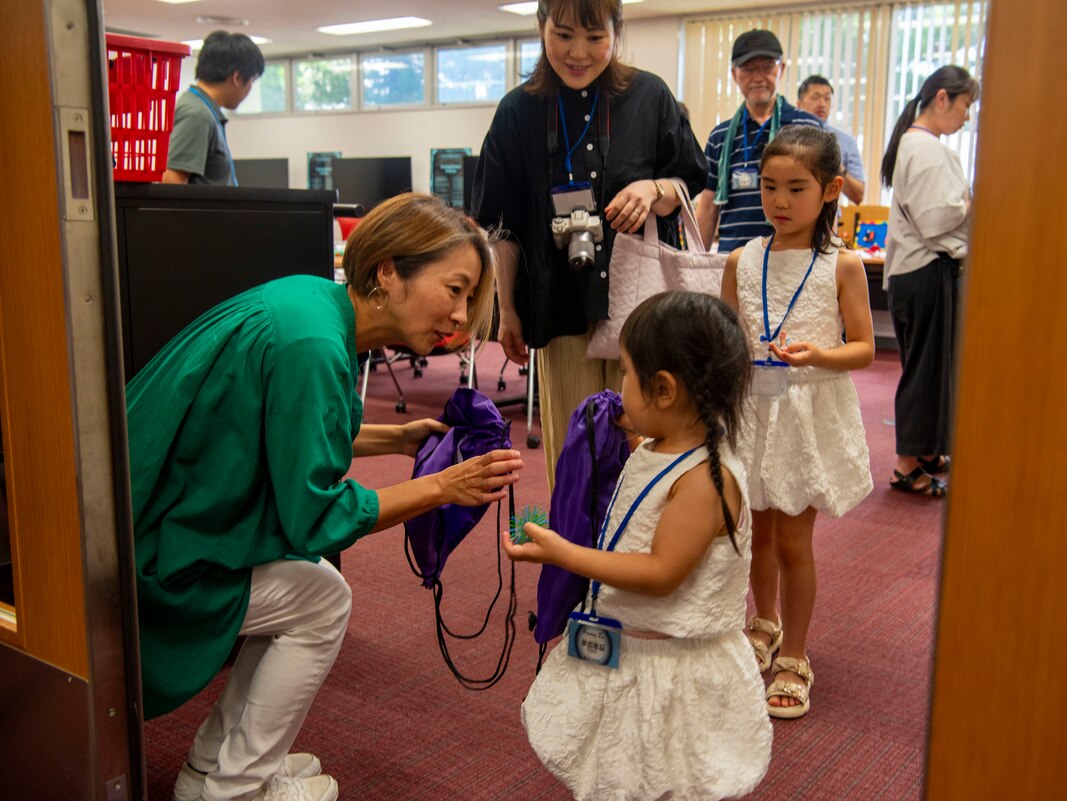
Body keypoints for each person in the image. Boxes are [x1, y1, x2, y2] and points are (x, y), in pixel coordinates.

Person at [127, 194, 525, 801]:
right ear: (389, 271)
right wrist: (442, 486)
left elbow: (290, 429)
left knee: (312, 588)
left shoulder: (314, 306)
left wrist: (399, 436)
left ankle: (213, 767)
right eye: (455, 289)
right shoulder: (313, 345)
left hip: (156, 519)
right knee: (322, 598)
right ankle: (236, 787)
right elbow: (316, 517)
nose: (462, 318)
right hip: (151, 557)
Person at [503, 291, 770, 801]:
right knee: (624, 773)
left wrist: (562, 552)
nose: (617, 386)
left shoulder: (703, 480)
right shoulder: (661, 444)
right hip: (634, 648)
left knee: (666, 778)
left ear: (664, 390)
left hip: (670, 667)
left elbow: (662, 571)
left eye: (624, 372)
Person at [472, 0, 707, 490]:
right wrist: (507, 312)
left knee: (648, 447)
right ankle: (577, 560)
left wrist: (654, 189)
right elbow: (502, 224)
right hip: (561, 307)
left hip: (641, 306)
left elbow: (690, 175)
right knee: (574, 453)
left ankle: (647, 559)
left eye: (595, 37)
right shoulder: (518, 111)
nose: (578, 53)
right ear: (540, 28)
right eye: (562, 35)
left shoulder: (649, 96)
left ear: (616, 32)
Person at [721, 124, 874, 718]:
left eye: (796, 189)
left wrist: (820, 355)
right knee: (753, 530)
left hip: (807, 410)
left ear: (831, 188)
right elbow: (728, 338)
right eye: (768, 188)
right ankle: (764, 622)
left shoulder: (844, 264)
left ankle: (797, 656)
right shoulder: (741, 259)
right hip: (753, 409)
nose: (780, 202)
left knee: (792, 539)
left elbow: (863, 347)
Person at [880, 65, 979, 497]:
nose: (967, 117)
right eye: (965, 106)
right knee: (924, 371)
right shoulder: (923, 147)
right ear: (942, 99)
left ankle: (925, 452)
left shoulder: (920, 145)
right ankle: (906, 465)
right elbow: (937, 217)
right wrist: (972, 201)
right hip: (926, 269)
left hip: (917, 270)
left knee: (929, 368)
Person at [695, 29, 822, 253]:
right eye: (749, 69)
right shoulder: (720, 137)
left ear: (781, 69)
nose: (758, 77)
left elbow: (825, 198)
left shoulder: (808, 128)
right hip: (733, 260)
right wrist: (696, 264)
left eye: (767, 67)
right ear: (734, 74)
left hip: (795, 260)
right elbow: (707, 207)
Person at [163, 31, 264, 185]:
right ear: (237, 78)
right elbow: (172, 181)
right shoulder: (196, 114)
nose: (250, 88)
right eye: (252, 80)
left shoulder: (205, 109)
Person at [796, 74, 866, 204]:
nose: (822, 104)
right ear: (799, 104)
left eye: (827, 99)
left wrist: (836, 166)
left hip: (829, 220)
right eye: (815, 97)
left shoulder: (846, 142)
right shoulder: (787, 137)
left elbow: (858, 195)